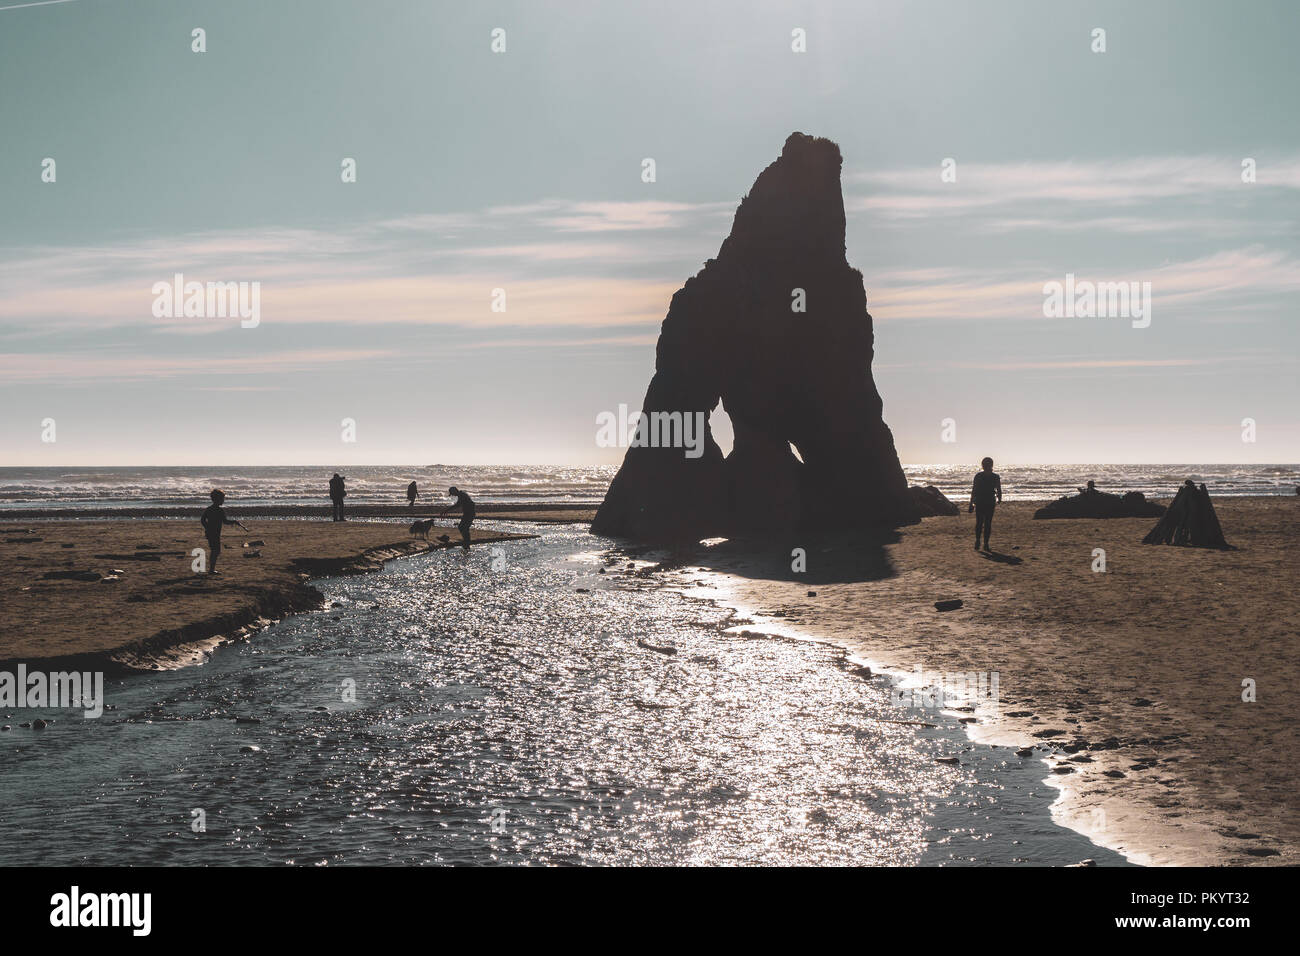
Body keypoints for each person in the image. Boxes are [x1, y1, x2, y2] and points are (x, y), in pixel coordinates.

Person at [200, 489, 246, 575]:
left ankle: (211, 569)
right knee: (215, 551)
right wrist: (234, 522)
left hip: (211, 533)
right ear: (217, 499)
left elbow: (202, 520)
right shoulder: (220, 511)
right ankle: (211, 570)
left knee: (215, 550)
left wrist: (207, 528)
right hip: (214, 533)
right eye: (222, 499)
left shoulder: (209, 509)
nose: (223, 501)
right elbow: (225, 521)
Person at [968, 457, 1003, 551]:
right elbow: (999, 489)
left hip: (980, 501)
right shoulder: (995, 476)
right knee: (987, 523)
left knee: (979, 522)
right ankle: (985, 544)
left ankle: (978, 541)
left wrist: (971, 503)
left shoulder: (978, 476)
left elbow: (974, 490)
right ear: (992, 465)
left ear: (983, 465)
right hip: (990, 501)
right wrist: (999, 499)